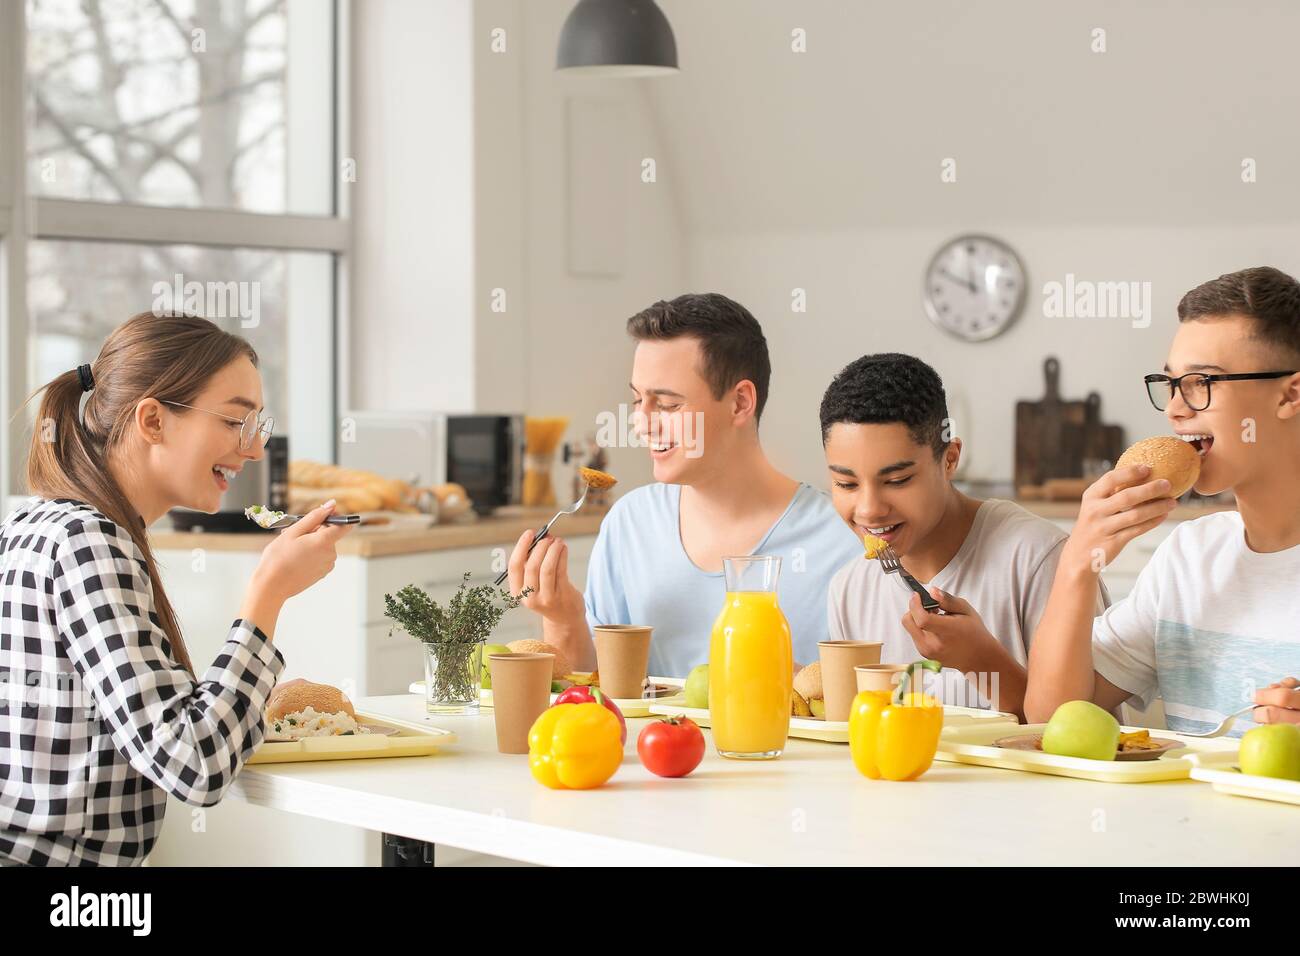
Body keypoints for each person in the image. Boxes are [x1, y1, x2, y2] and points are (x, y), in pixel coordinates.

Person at [0, 312, 350, 866]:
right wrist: (268, 592)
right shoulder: (88, 543)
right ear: (153, 420)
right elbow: (194, 763)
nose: (254, 448)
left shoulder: (30, 523)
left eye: (259, 423)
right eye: (236, 422)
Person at [508, 293, 861, 676]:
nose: (641, 423)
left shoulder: (841, 539)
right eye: (637, 400)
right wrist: (562, 617)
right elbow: (598, 688)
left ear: (740, 403)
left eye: (668, 404)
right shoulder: (630, 522)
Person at [1025, 267, 1300, 732]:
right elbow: (1054, 719)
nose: (1175, 407)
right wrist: (1078, 562)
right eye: (1172, 383)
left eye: (1202, 383)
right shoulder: (1188, 558)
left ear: (1290, 394)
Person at [820, 353, 1107, 716]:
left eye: (897, 481)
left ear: (950, 459)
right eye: (846, 483)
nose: (868, 509)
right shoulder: (849, 590)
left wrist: (981, 661)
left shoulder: (1041, 559)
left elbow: (1090, 737)